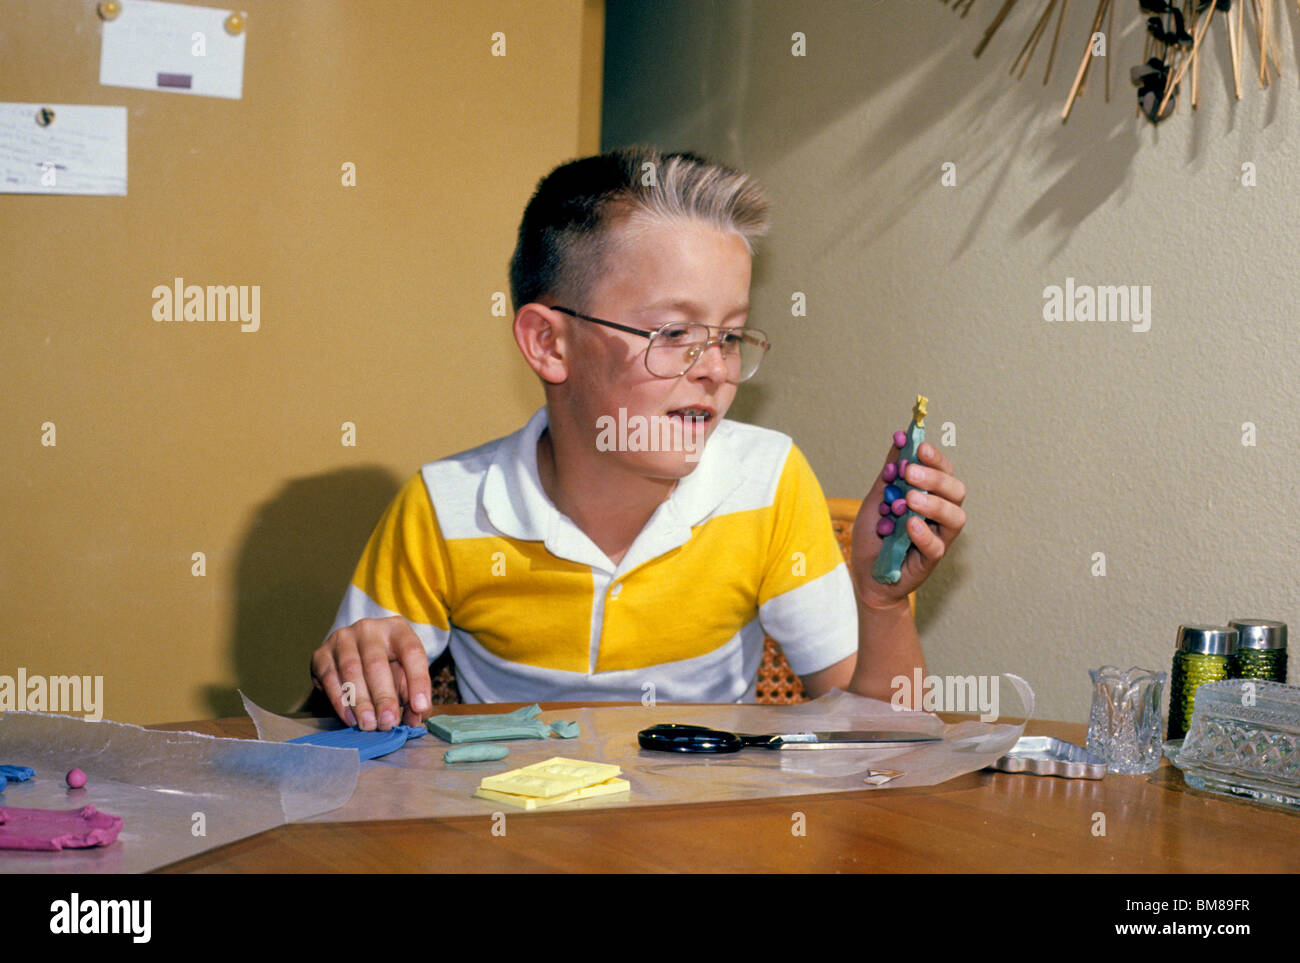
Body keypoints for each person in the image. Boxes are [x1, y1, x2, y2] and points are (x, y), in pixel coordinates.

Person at [310, 147, 967, 730]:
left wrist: (881, 602)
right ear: (549, 343)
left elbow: (884, 740)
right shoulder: (445, 508)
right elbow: (346, 724)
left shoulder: (766, 481)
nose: (715, 369)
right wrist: (353, 677)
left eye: (729, 336)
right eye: (674, 333)